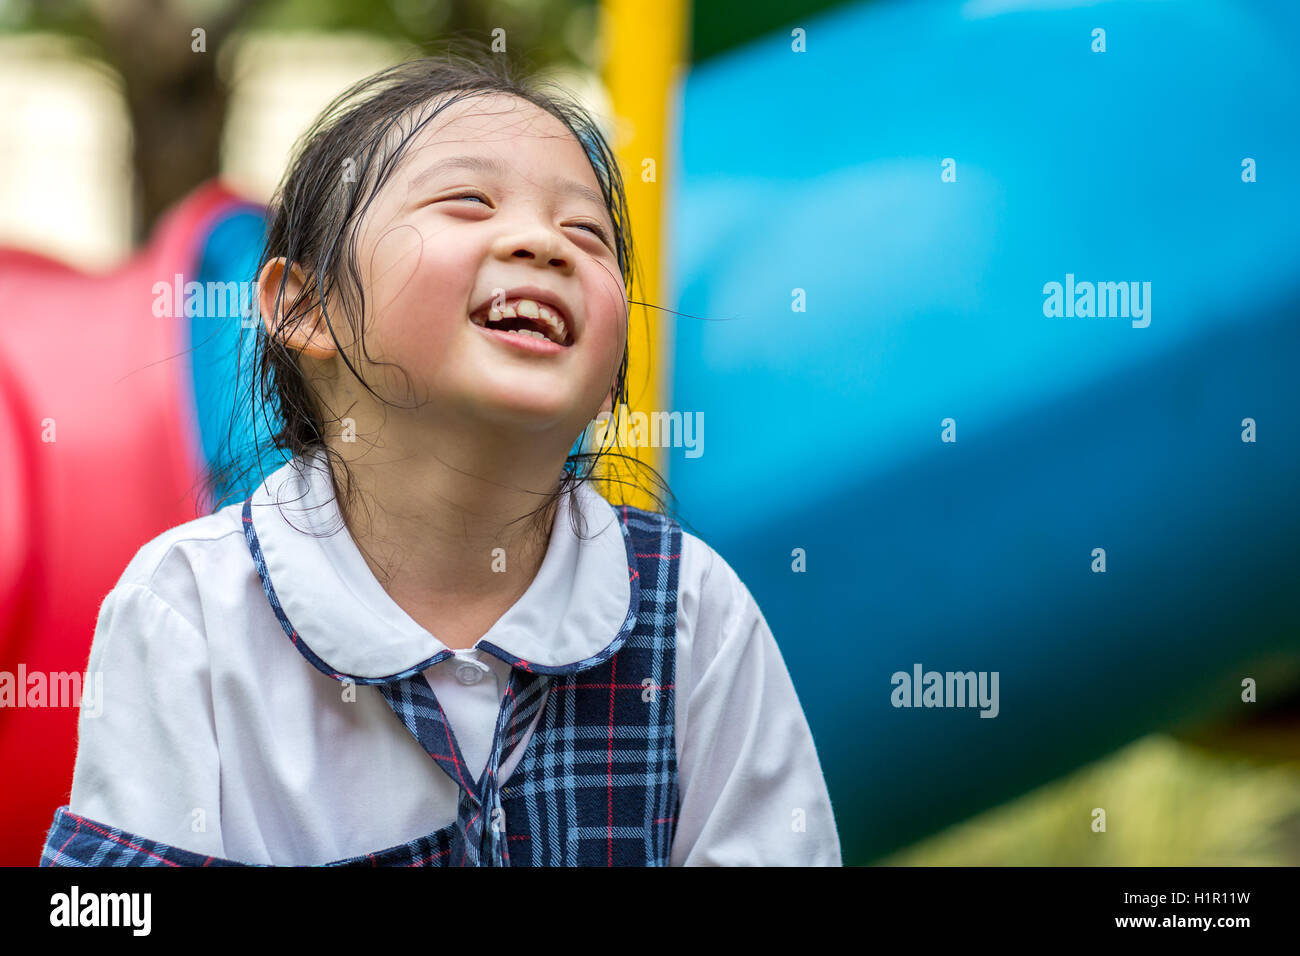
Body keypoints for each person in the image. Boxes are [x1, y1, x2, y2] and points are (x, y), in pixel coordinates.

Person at [40, 46, 840, 867]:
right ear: (307, 307)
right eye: (469, 201)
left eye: (587, 233)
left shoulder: (691, 613)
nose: (545, 243)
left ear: (607, 382)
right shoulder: (192, 607)